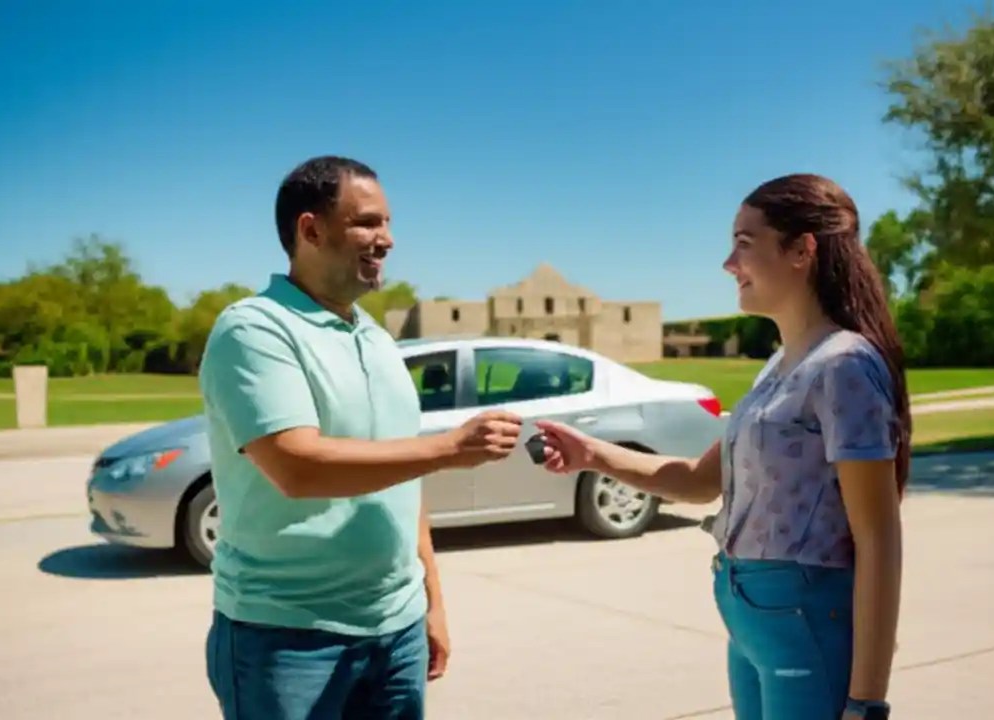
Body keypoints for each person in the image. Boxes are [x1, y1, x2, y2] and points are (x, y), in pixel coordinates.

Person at [534, 173, 909, 720]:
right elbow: (697, 479)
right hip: (751, 624)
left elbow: (879, 537)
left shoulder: (844, 365)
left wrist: (867, 701)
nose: (729, 264)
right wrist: (591, 454)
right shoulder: (778, 365)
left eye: (744, 243)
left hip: (803, 625)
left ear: (801, 250)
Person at [198, 155, 523, 720]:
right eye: (368, 223)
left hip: (397, 629)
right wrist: (449, 449)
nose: (387, 240)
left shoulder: (374, 337)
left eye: (388, 224)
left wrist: (432, 601)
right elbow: (297, 467)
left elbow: (403, 477)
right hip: (287, 637)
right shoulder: (255, 328)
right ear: (310, 229)